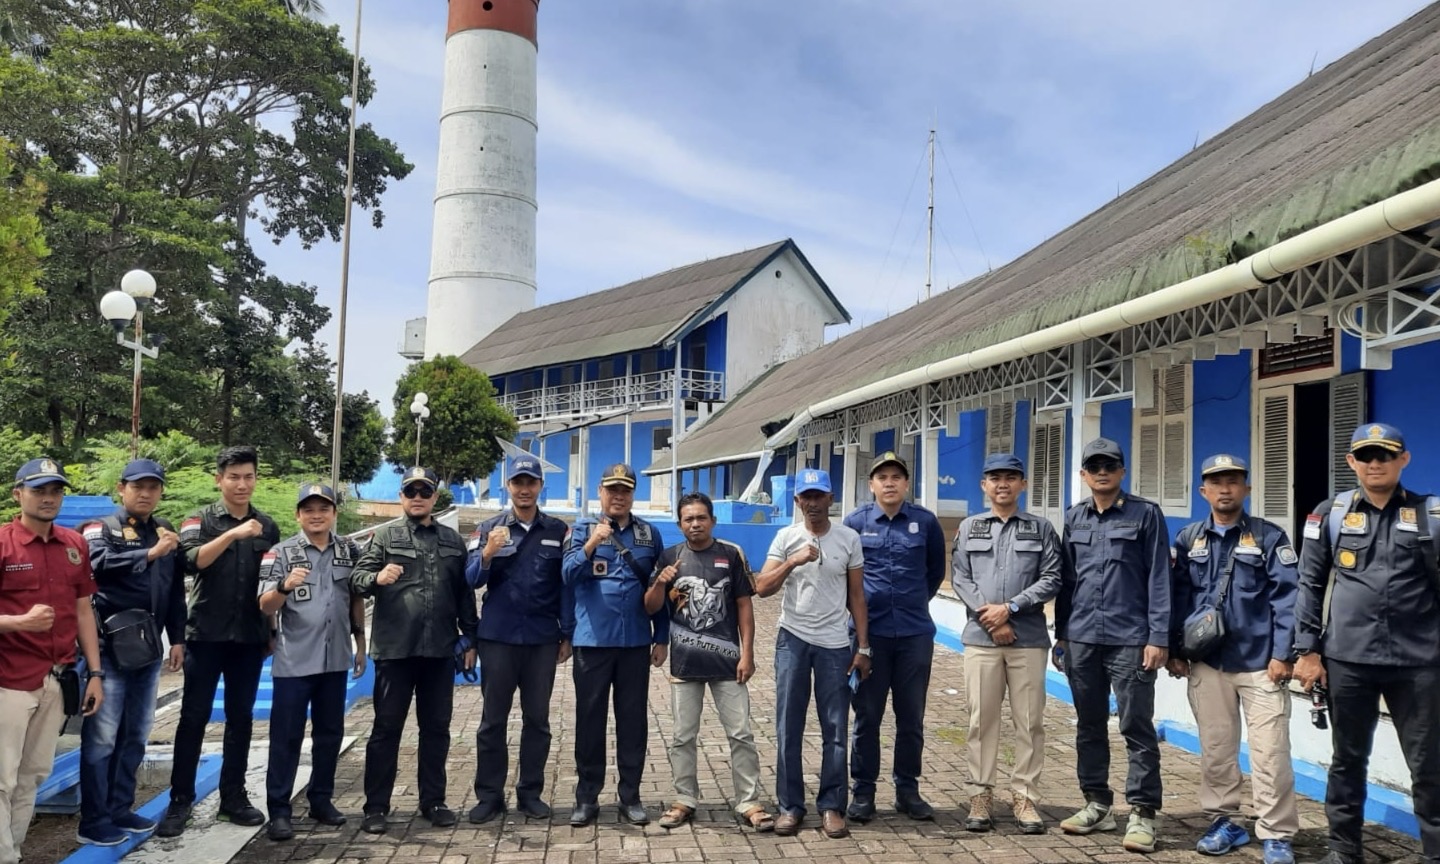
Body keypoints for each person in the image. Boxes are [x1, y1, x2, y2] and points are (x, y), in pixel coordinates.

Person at [1293, 423, 1440, 864]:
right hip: (1349, 658)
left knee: (1429, 764)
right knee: (1347, 760)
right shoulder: (1330, 513)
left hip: (1420, 660)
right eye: (1367, 456)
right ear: (1352, 462)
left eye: (1385, 455)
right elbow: (1310, 583)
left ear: (1404, 460)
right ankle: (1343, 850)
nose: (1375, 463)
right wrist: (1308, 650)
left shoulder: (1431, 514)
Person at [1168, 454, 1299, 864]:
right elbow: (1175, 597)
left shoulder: (1269, 537)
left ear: (1246, 488)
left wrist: (1283, 654)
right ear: (1203, 491)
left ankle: (1276, 833)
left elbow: (1288, 599)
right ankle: (1225, 821)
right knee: (1217, 750)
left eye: (1233, 481)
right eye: (1216, 482)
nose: (1225, 488)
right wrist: (1175, 649)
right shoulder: (1189, 539)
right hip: (1208, 665)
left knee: (1271, 753)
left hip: (1261, 664)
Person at [1054, 437, 1170, 853]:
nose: (1102, 472)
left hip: (1131, 640)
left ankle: (1142, 812)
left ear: (1122, 472)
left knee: (1136, 726)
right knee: (1088, 724)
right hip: (1082, 637)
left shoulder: (1146, 515)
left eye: (1110, 465)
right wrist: (1061, 634)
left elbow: (1159, 578)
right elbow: (1067, 581)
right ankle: (1096, 803)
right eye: (1094, 466)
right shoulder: (1073, 517)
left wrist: (1159, 637)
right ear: (1084, 475)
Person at [158, 446, 281, 837]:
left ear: (255, 478)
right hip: (205, 636)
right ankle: (180, 802)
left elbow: (271, 581)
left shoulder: (268, 526)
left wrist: (272, 630)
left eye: (248, 476)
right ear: (219, 479)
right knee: (193, 719)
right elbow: (193, 561)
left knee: (241, 719)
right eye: (234, 477)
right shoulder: (199, 520)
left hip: (249, 637)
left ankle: (233, 797)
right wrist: (232, 533)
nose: (241, 484)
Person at [352, 466, 477, 835]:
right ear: (401, 497)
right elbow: (357, 580)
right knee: (386, 729)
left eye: (425, 491)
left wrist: (470, 638)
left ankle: (433, 801)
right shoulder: (384, 537)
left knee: (436, 729)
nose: (418, 497)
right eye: (411, 491)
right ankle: (376, 807)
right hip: (395, 651)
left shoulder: (453, 541)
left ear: (435, 497)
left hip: (439, 651)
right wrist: (377, 577)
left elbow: (464, 594)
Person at [645, 492, 773, 833]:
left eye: (701, 517)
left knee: (741, 734)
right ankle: (684, 799)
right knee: (682, 737)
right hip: (685, 665)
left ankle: (748, 801)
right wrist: (660, 580)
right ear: (680, 524)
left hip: (730, 665)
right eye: (688, 519)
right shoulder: (670, 557)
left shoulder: (730, 554)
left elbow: (745, 605)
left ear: (712, 520)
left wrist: (748, 653)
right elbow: (650, 606)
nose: (695, 524)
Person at [755, 468, 871, 840]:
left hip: (835, 644)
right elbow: (762, 588)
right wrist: (793, 561)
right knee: (788, 725)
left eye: (819, 496)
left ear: (830, 499)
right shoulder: (786, 537)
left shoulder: (848, 538)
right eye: (807, 496)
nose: (813, 503)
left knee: (835, 728)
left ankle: (832, 806)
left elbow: (857, 596)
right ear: (797, 501)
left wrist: (863, 647)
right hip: (793, 640)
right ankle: (790, 806)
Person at [951, 453, 1062, 834]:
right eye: (995, 477)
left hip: (1028, 640)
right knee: (981, 720)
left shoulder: (1041, 528)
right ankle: (981, 794)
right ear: (984, 485)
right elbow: (961, 578)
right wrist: (991, 618)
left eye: (1011, 477)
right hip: (982, 640)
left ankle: (1025, 796)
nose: (1003, 484)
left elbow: (1052, 577)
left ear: (1023, 484)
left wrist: (1011, 608)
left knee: (1030, 721)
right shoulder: (969, 528)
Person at [0, 459, 104, 864]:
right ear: (17, 494)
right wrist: (18, 622)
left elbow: (83, 613)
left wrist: (94, 673)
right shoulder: (4, 543)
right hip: (9, 679)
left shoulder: (73, 545)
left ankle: (14, 850)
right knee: (2, 778)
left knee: (32, 776)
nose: (48, 498)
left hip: (57, 678)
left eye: (56, 491)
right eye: (39, 490)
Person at [77, 458, 186, 846]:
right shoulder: (99, 528)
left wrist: (177, 637)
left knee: (136, 735)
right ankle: (94, 818)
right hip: (107, 650)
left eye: (153, 487)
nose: (145, 493)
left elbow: (175, 590)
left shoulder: (165, 530)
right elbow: (95, 565)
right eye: (138, 486)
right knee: (103, 737)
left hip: (148, 649)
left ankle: (120, 807)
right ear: (122, 489)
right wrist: (151, 554)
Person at [561, 463, 668, 828]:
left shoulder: (648, 534)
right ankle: (587, 797)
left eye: (625, 490)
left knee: (632, 721)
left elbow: (661, 587)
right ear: (601, 493)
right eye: (611, 490)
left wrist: (662, 636)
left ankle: (630, 796)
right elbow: (567, 574)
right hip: (592, 642)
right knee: (590, 721)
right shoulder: (581, 529)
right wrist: (593, 543)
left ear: (632, 494)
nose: (618, 496)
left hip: (636, 642)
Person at [465, 456, 571, 824]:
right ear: (507, 486)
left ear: (541, 486)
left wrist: (567, 633)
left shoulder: (558, 530)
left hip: (542, 639)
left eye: (531, 482)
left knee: (537, 721)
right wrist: (488, 552)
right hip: (498, 638)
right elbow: (470, 580)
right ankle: (489, 795)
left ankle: (530, 793)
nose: (524, 489)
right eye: (517, 482)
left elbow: (565, 586)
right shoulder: (489, 528)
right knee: (492, 721)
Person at [258, 482, 366, 842]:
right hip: (294, 663)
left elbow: (355, 598)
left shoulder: (349, 550)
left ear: (334, 513)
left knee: (329, 735)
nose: (316, 515)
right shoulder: (281, 553)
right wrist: (285, 587)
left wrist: (361, 643)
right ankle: (279, 810)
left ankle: (321, 800)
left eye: (323, 508)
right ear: (298, 515)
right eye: (309, 509)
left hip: (335, 660)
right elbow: (265, 605)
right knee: (286, 738)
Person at [842, 451, 946, 822]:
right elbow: (846, 577)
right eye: (882, 477)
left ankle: (907, 789)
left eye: (896, 477)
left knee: (911, 716)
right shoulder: (854, 522)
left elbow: (934, 574)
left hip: (915, 634)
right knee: (867, 716)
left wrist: (911, 603)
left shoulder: (925, 522)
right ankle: (863, 791)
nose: (889, 483)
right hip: (870, 638)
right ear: (871, 485)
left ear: (906, 484)